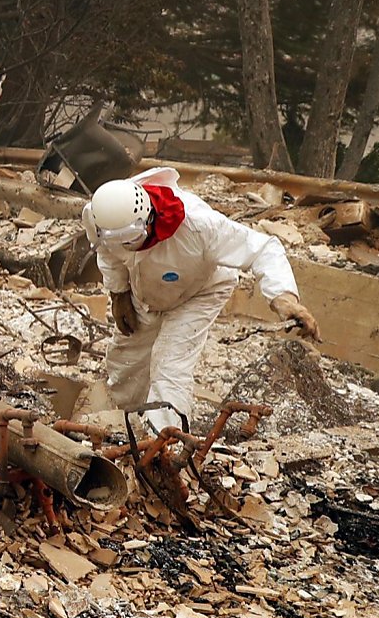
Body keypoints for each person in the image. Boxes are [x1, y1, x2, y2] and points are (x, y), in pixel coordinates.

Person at [86, 168, 323, 436]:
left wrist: (282, 297)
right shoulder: (102, 216)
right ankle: (121, 426)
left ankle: (163, 442)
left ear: (148, 220)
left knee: (169, 365)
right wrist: (118, 293)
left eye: (131, 240)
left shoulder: (200, 226)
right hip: (146, 289)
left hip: (200, 291)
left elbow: (263, 249)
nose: (126, 247)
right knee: (126, 361)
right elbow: (108, 254)